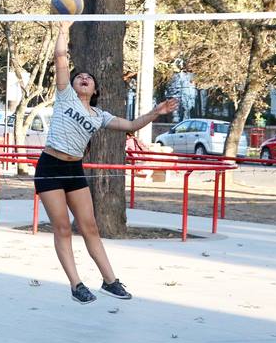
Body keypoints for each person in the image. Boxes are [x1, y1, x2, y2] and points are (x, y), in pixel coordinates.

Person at [35, 21, 178, 304]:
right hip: (50, 166)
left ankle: (110, 281)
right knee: (63, 227)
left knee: (89, 227)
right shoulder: (65, 98)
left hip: (74, 170)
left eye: (89, 77)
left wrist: (156, 112)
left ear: (95, 89)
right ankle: (76, 285)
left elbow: (132, 124)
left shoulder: (99, 115)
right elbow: (60, 58)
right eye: (79, 77)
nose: (83, 78)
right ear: (72, 84)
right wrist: (64, 28)